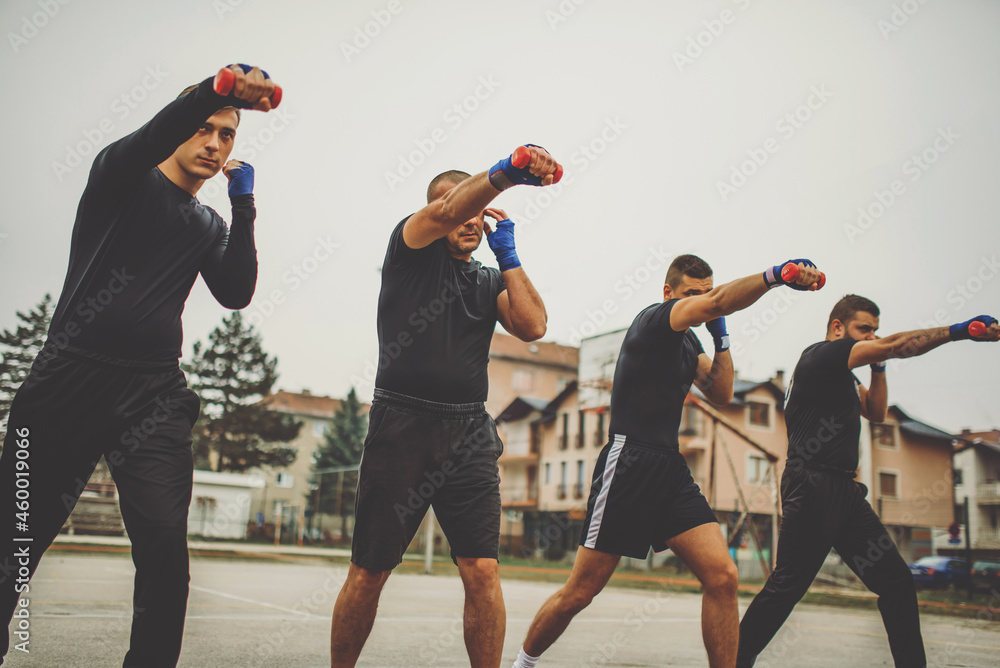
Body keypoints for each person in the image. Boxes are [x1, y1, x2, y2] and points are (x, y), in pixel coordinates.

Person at [0, 63, 279, 668]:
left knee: (163, 550)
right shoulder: (120, 177)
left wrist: (245, 204)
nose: (214, 143)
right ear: (179, 126)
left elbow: (235, 291)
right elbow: (153, 136)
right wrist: (218, 90)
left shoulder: (206, 223)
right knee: (14, 544)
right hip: (67, 382)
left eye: (227, 135)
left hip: (153, 395)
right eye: (204, 128)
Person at [512, 255, 825, 668]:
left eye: (706, 293)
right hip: (628, 463)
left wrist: (722, 336)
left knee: (723, 577)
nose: (701, 301)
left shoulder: (691, 343)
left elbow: (722, 393)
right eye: (692, 294)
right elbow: (715, 304)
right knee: (580, 592)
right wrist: (775, 277)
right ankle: (523, 664)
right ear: (669, 293)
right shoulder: (655, 320)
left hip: (670, 470)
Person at [330, 147, 560, 668]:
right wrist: (506, 174)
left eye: (473, 210)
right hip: (402, 424)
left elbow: (533, 327)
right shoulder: (409, 250)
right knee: (371, 570)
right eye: (456, 206)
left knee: (482, 570)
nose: (466, 217)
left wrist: (510, 258)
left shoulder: (487, 279)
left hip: (468, 433)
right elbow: (442, 212)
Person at [736, 295, 999, 667]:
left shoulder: (844, 375)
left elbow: (876, 412)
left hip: (845, 491)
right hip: (812, 485)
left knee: (896, 583)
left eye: (875, 330)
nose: (873, 336)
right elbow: (896, 346)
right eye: (865, 329)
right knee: (786, 587)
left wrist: (878, 368)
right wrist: (958, 331)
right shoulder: (821, 356)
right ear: (838, 328)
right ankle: (732, 660)